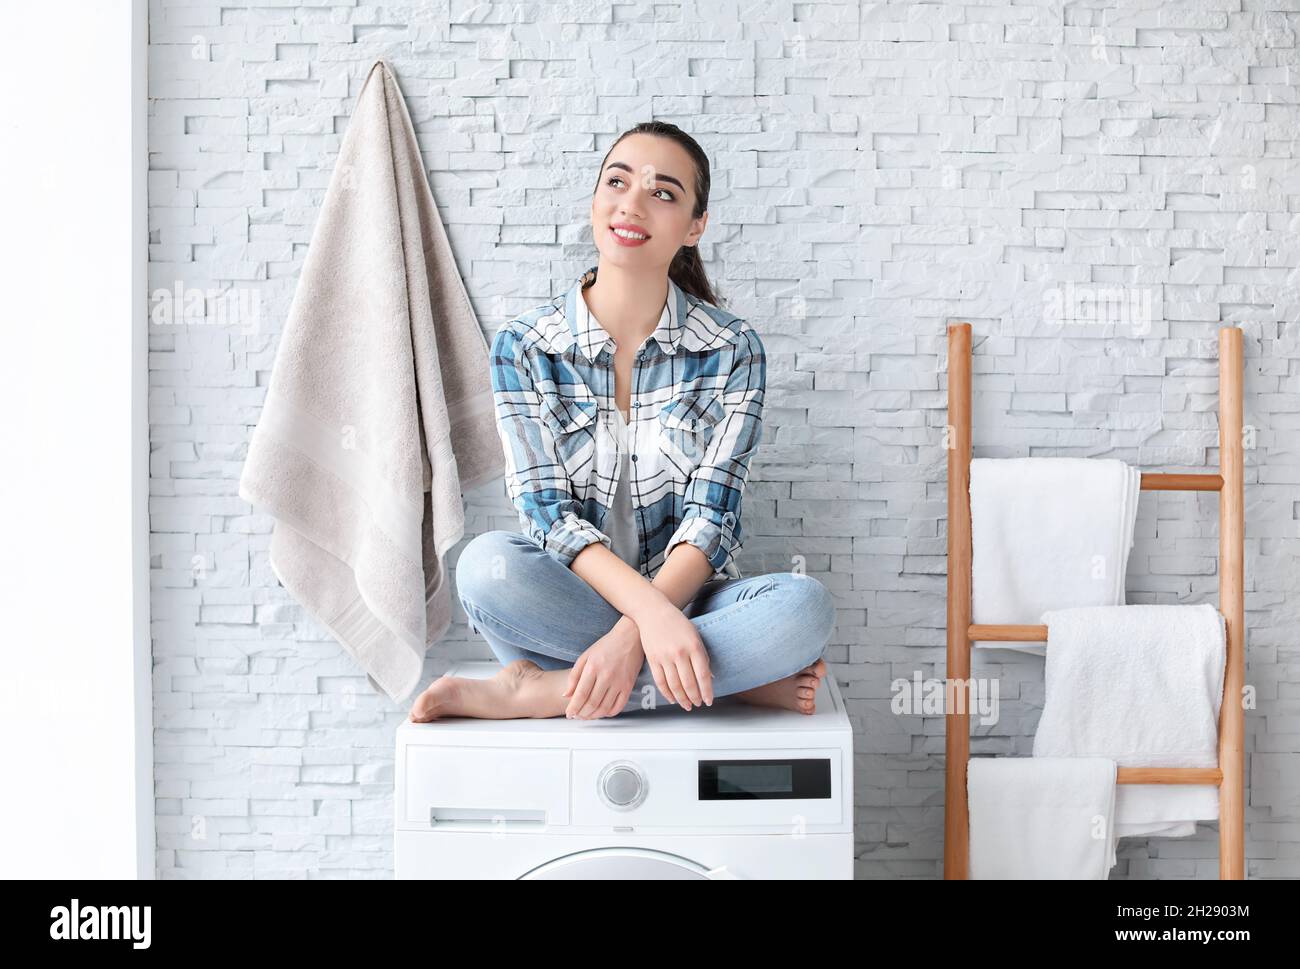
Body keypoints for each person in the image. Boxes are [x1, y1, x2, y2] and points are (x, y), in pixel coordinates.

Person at [409, 121, 834, 724]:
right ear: (595, 202)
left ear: (694, 227)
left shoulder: (733, 347)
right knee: (485, 568)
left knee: (802, 609)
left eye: (663, 192)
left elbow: (713, 518)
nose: (633, 203)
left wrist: (642, 629)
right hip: (571, 602)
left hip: (696, 606)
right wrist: (651, 622)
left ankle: (538, 692)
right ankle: (727, 683)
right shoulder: (525, 347)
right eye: (618, 182)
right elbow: (547, 516)